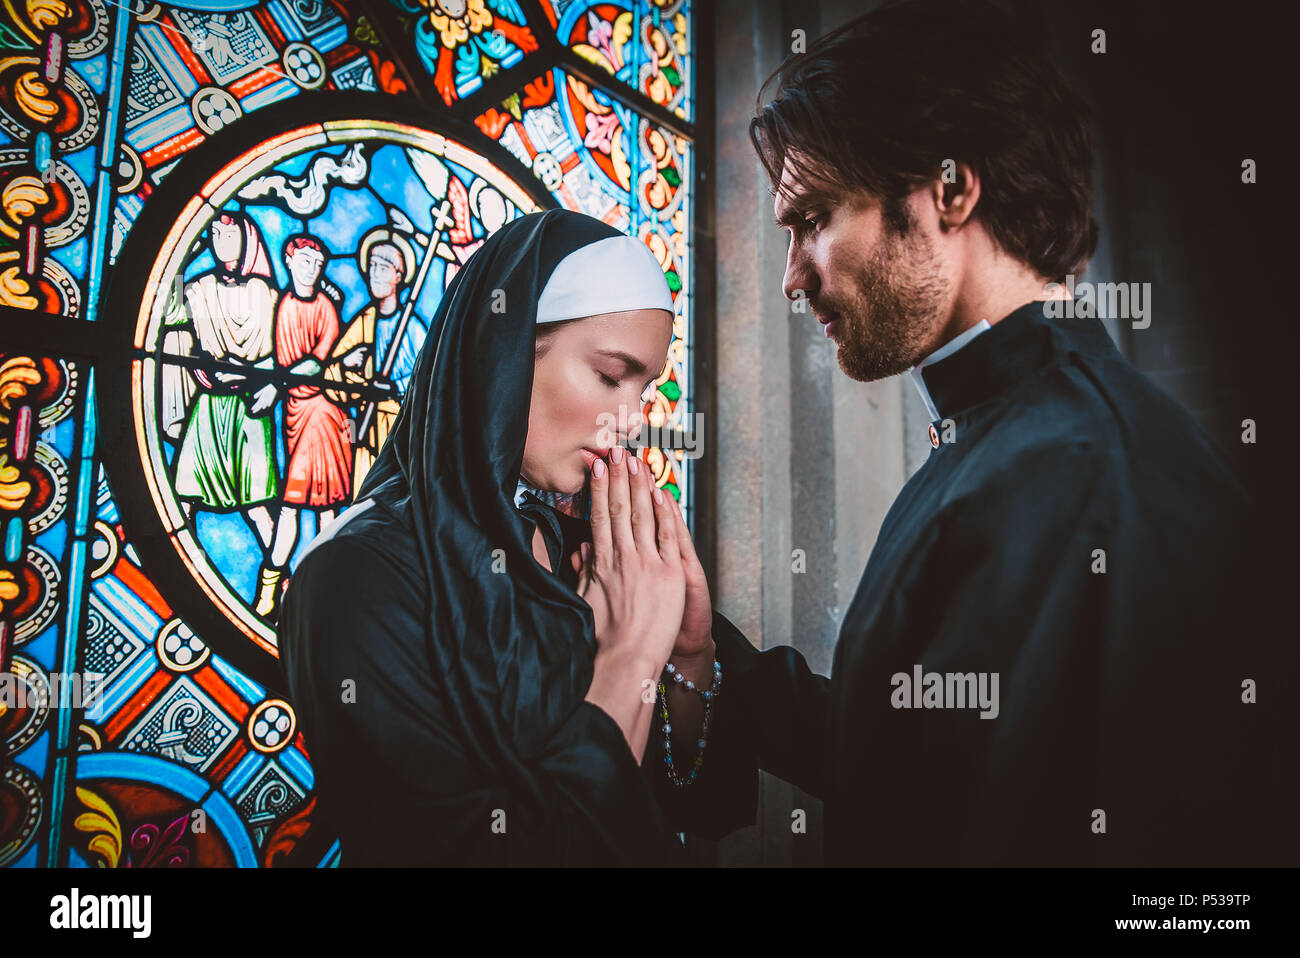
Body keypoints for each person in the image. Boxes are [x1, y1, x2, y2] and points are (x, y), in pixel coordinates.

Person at [662, 0, 1280, 866]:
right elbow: (922, 770)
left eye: (812, 220)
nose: (792, 279)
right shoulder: (1010, 437)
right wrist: (701, 650)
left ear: (949, 189)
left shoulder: (1087, 473)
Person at [276, 210, 733, 865]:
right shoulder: (355, 576)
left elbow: (677, 796)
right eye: (609, 376)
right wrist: (629, 658)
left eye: (645, 388)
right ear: (508, 351)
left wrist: (689, 653)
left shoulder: (589, 542)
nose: (631, 421)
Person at [169, 211, 281, 571]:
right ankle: (183, 566)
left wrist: (274, 386)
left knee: (257, 504)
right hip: (208, 407)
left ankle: (281, 577)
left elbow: (285, 353)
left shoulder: (266, 295)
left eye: (229, 236)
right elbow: (168, 315)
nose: (221, 242)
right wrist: (181, 257)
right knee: (184, 493)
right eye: (215, 234)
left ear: (248, 244)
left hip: (251, 411)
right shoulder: (197, 289)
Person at [261, 235, 354, 619]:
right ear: (288, 262)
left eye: (317, 262)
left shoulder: (326, 308)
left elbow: (317, 362)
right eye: (304, 261)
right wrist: (280, 383)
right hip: (295, 413)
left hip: (324, 415)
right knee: (304, 508)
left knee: (315, 508)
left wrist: (275, 382)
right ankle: (292, 588)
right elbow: (288, 359)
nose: (311, 268)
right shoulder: (284, 306)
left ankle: (313, 590)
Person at [322, 228, 423, 493]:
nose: (374, 273)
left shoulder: (412, 327)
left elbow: (430, 380)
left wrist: (395, 388)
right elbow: (330, 375)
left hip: (403, 434)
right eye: (372, 266)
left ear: (399, 276)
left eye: (384, 267)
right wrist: (345, 365)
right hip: (365, 429)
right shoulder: (364, 320)